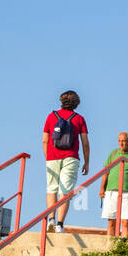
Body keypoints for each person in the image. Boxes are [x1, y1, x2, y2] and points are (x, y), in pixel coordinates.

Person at [43, 90, 89, 233]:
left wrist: (48, 157)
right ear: (76, 103)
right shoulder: (79, 119)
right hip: (71, 157)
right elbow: (85, 143)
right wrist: (87, 162)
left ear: (61, 101)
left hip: (52, 157)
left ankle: (51, 218)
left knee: (51, 189)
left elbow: (45, 140)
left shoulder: (51, 116)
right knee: (65, 192)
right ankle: (59, 225)